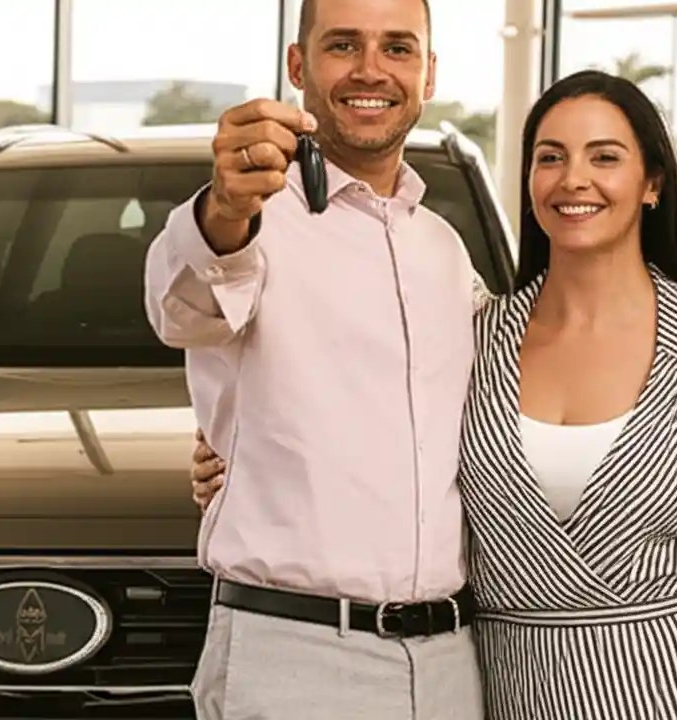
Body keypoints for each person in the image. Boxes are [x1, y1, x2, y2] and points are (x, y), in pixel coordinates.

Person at [192, 69, 677, 720]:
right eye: (550, 157)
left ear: (652, 184)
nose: (574, 180)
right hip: (522, 696)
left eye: (605, 157)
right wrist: (236, 451)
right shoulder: (478, 333)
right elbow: (361, 399)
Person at [142, 0, 487, 717]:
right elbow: (180, 305)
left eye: (398, 48)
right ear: (299, 66)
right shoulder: (255, 217)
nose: (371, 70)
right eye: (343, 45)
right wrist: (226, 208)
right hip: (293, 660)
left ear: (427, 74)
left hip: (453, 663)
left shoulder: (446, 252)